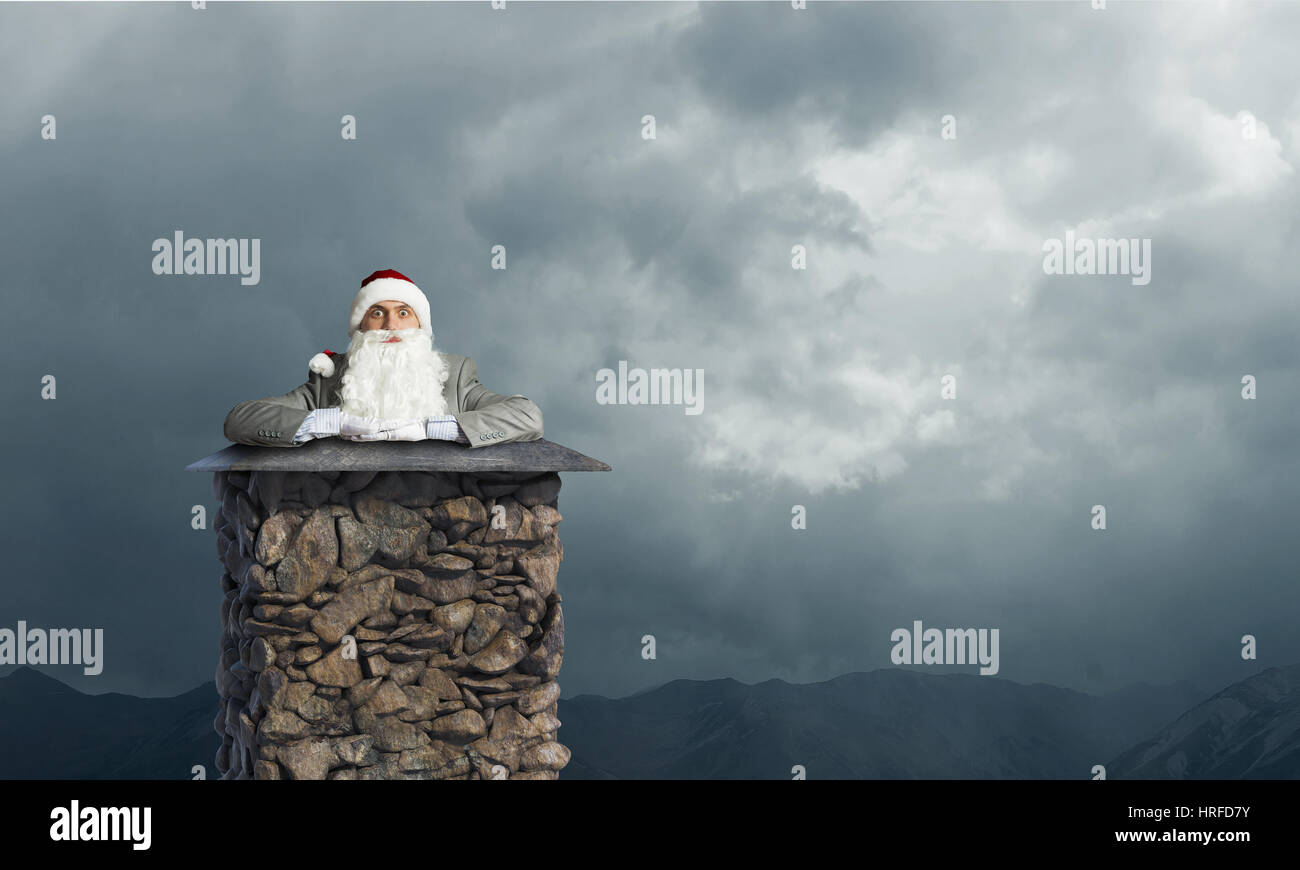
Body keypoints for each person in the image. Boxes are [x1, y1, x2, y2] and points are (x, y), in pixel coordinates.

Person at [223, 269, 543, 448]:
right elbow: (241, 419)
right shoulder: (330, 378)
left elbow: (527, 416)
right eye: (377, 313)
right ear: (360, 326)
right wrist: (331, 422)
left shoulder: (455, 374)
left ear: (420, 325)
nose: (391, 325)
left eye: (403, 313)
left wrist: (431, 428)